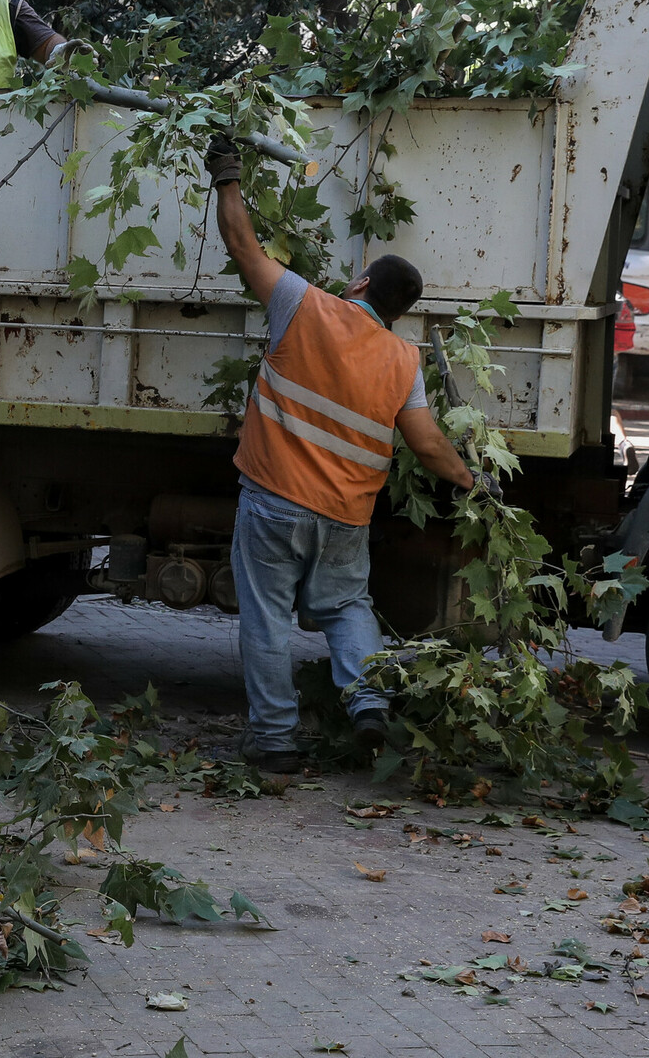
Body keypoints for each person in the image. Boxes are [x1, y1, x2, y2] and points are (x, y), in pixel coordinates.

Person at [209, 141, 493, 774]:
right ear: (400, 311)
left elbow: (243, 246)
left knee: (266, 618)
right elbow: (426, 443)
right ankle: (367, 701)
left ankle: (276, 741)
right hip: (345, 516)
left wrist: (228, 175)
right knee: (345, 608)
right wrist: (471, 480)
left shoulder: (304, 305)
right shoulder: (405, 359)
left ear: (361, 285)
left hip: (274, 500)